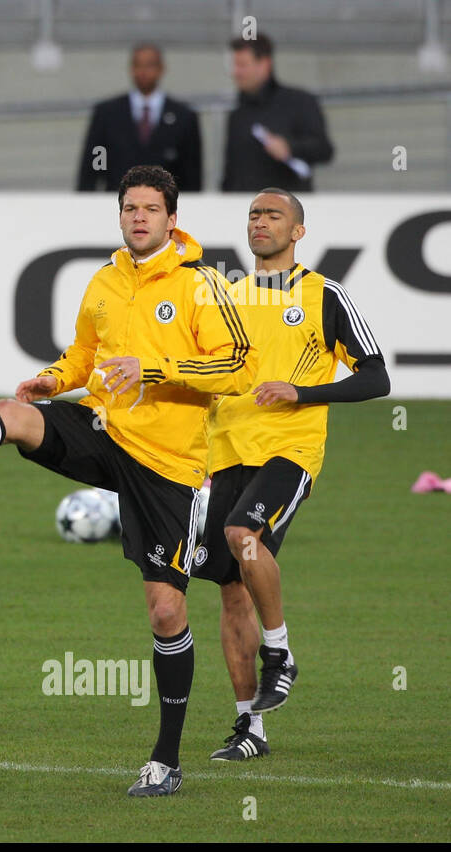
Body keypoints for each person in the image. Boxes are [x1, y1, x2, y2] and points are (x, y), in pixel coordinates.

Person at [0, 164, 255, 797]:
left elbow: (237, 367)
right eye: (129, 207)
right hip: (102, 428)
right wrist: (54, 378)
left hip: (169, 464)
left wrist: (155, 371)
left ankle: (167, 759)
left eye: (149, 209)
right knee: (19, 416)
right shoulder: (104, 281)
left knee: (165, 610)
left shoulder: (201, 285)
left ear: (171, 218)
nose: (138, 218)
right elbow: (85, 356)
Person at [199, 188, 388, 761]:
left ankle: (279, 654)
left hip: (289, 450)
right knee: (231, 594)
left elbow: (375, 378)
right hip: (225, 451)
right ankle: (250, 729)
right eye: (254, 214)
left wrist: (301, 391)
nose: (260, 222)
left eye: (273, 214)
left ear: (298, 232)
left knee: (243, 535)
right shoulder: (226, 297)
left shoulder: (324, 294)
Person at [77, 43, 203, 192]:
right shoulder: (107, 113)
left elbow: (192, 173)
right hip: (117, 203)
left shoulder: (184, 116)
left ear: (161, 69)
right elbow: (94, 164)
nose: (143, 71)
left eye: (149, 65)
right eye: (138, 65)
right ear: (131, 69)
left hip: (163, 206)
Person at [221, 35, 334, 192]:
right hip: (246, 209)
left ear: (264, 64)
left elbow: (324, 149)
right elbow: (230, 173)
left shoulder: (299, 102)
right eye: (235, 65)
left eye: (242, 65)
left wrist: (290, 147)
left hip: (287, 207)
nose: (236, 72)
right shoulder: (237, 115)